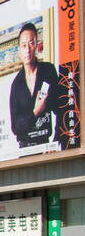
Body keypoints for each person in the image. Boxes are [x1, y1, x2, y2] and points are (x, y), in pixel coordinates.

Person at [9, 21, 76, 149]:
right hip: (25, 150)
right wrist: (35, 112)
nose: (27, 49)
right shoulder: (16, 84)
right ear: (19, 49)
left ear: (36, 45)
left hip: (46, 145)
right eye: (23, 45)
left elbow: (62, 109)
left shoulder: (48, 71)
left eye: (31, 43)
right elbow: (16, 127)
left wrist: (56, 142)